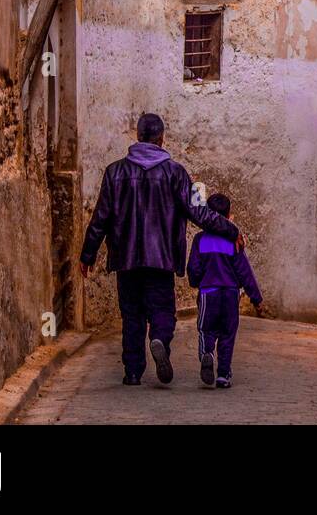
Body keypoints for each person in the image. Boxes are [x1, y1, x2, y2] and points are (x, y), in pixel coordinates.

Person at [79, 113, 239, 386]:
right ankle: (159, 340)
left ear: (138, 137)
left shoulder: (114, 172)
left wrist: (87, 255)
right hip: (161, 258)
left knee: (131, 316)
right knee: (163, 312)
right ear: (161, 139)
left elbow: (101, 218)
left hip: (126, 259)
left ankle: (132, 373)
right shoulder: (176, 172)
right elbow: (199, 212)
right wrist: (230, 229)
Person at [187, 193, 262, 389]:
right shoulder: (233, 242)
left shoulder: (200, 240)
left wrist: (196, 282)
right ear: (229, 217)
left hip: (208, 292)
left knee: (206, 329)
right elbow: (244, 272)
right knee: (228, 334)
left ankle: (207, 354)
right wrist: (256, 298)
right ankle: (223, 375)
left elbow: (193, 269)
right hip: (230, 294)